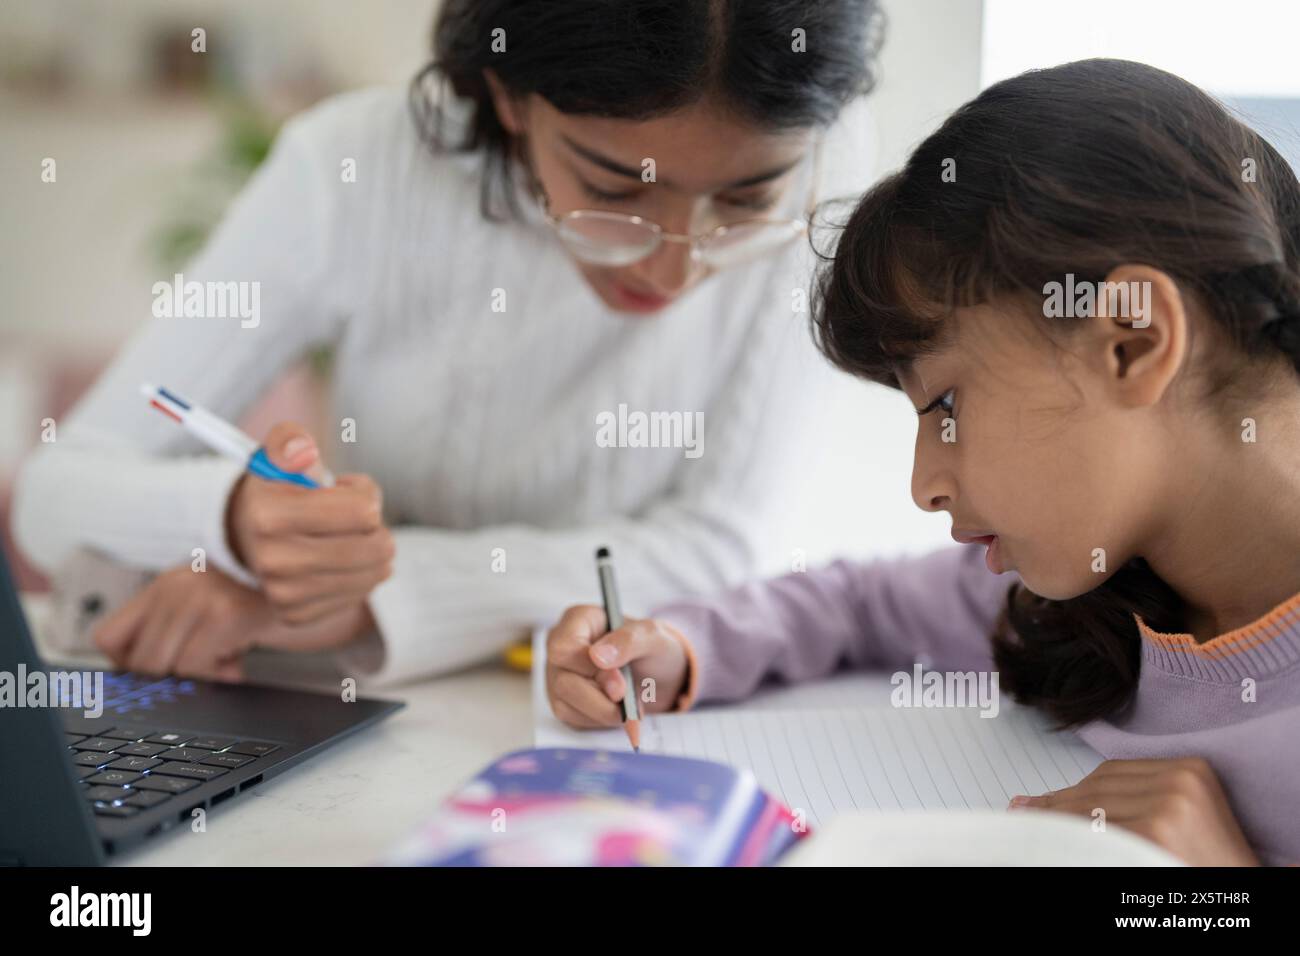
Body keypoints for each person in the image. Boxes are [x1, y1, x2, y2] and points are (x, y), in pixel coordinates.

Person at [545, 59, 1300, 865]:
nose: (924, 485)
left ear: (1132, 342)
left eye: (946, 407)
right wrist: (683, 649)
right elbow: (862, 604)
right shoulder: (1094, 596)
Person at [12, 0, 881, 683]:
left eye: (744, 201)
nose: (670, 269)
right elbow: (54, 495)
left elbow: (720, 550)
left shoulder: (824, 175)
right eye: (614, 188)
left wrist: (358, 602)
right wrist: (232, 524)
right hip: (372, 715)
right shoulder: (356, 169)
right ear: (508, 95)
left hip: (632, 712)